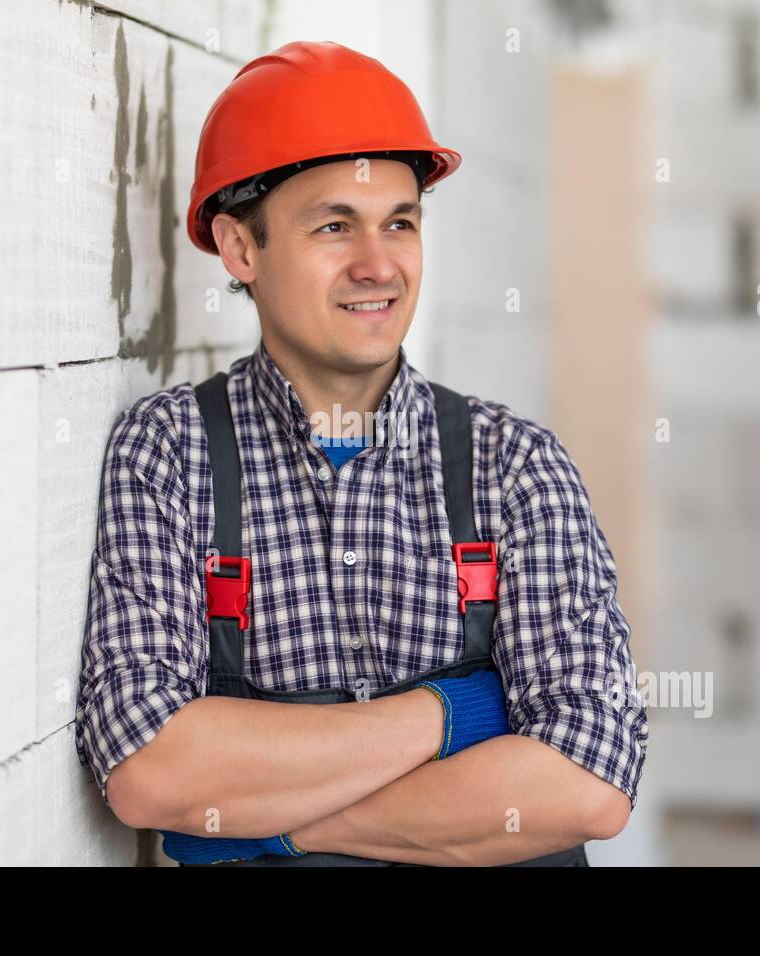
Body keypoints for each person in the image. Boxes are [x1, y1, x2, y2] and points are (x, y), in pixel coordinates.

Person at [74, 40, 648, 867]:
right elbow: (149, 768)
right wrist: (456, 714)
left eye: (400, 224)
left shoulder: (513, 466)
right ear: (241, 249)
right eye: (334, 226)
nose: (378, 266)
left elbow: (590, 780)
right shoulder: (169, 455)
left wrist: (271, 824)